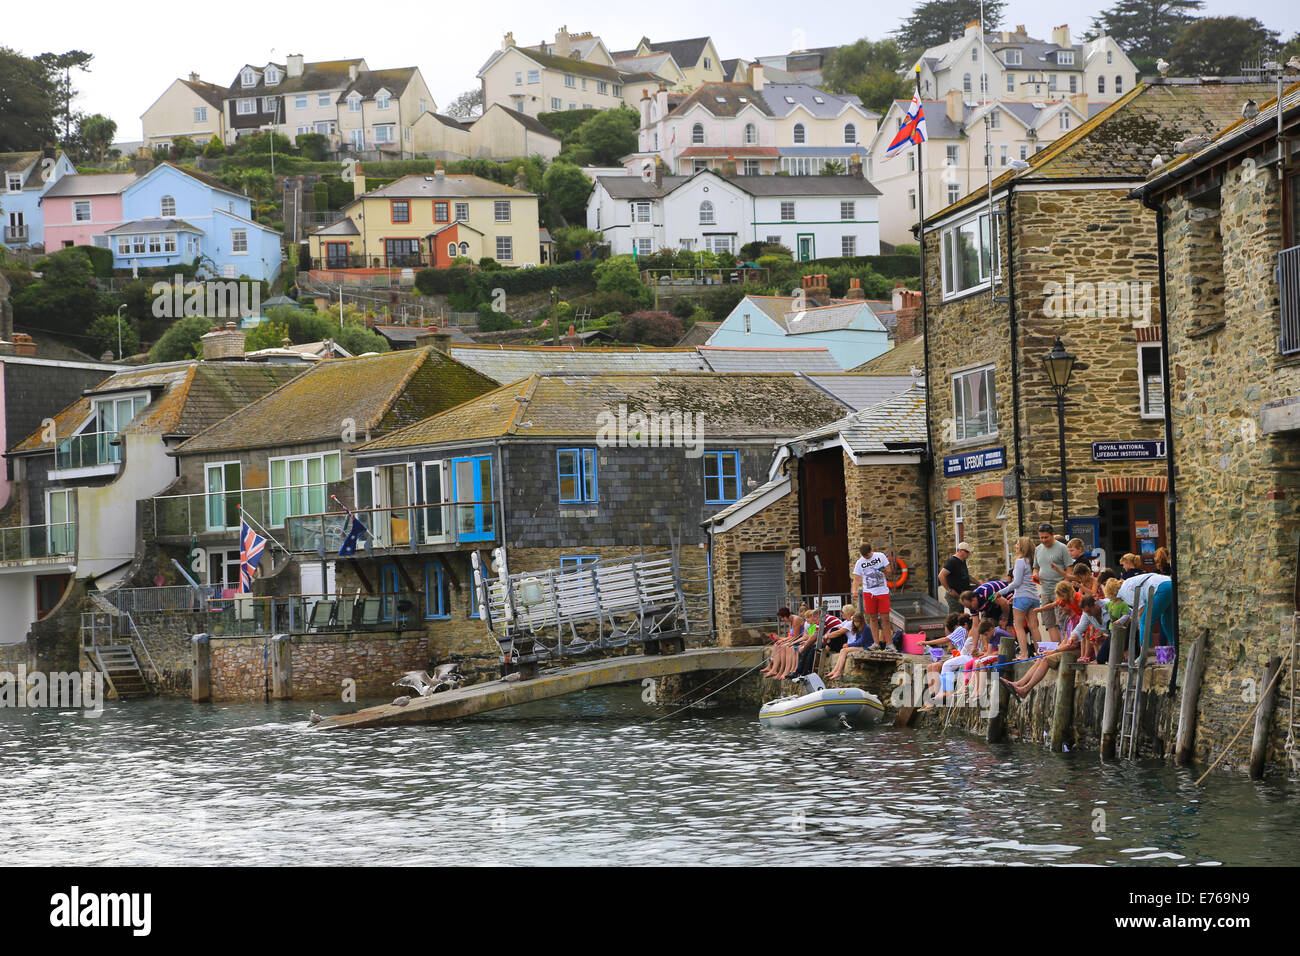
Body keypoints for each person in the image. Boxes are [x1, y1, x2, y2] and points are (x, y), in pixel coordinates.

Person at [999, 535, 1041, 660]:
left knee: (1018, 626)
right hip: (1034, 597)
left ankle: (1024, 654)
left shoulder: (1020, 561)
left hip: (1022, 597)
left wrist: (1001, 592)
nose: (1016, 546)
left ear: (1022, 546)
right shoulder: (1033, 561)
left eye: (1017, 544)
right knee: (1033, 626)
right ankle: (1040, 654)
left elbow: (1016, 583)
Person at [1033, 525, 1071, 643]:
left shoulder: (1062, 548)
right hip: (1045, 591)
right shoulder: (1038, 549)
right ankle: (1056, 648)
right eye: (1041, 538)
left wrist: (1063, 588)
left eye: (1046, 537)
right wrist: (1035, 575)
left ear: (1052, 535)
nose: (1044, 540)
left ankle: (1066, 646)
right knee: (1049, 623)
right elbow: (1035, 568)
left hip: (1059, 591)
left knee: (1062, 621)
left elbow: (1069, 570)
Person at [851, 542, 892, 652]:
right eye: (864, 556)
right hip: (869, 592)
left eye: (867, 556)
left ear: (871, 551)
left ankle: (889, 644)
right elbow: (856, 578)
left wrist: (884, 570)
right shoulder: (860, 562)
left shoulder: (880, 556)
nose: (866, 558)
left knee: (885, 618)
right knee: (872, 618)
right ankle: (876, 643)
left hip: (882, 591)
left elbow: (889, 571)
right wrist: (854, 590)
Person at [826, 612, 871, 681]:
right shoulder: (858, 628)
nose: (856, 623)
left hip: (866, 647)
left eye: (858, 622)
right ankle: (835, 670)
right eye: (855, 622)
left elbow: (861, 641)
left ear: (861, 621)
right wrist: (849, 645)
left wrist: (849, 645)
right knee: (842, 650)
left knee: (844, 650)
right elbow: (857, 640)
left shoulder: (866, 628)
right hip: (861, 646)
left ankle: (839, 671)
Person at [1071, 595, 1107, 664]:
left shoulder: (1107, 605)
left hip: (1126, 630)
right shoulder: (1086, 613)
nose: (1088, 614)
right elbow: (1079, 628)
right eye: (1086, 612)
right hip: (1111, 636)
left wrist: (1105, 637)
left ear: (1095, 605)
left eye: (1089, 611)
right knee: (1100, 658)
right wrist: (1072, 637)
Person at [939, 542, 973, 615]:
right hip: (954, 595)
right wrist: (949, 590)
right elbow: (941, 575)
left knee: (960, 616)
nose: (968, 554)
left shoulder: (962, 561)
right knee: (955, 618)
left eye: (969, 552)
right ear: (960, 551)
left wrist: (979, 583)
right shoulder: (952, 561)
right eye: (967, 552)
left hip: (961, 593)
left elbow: (966, 576)